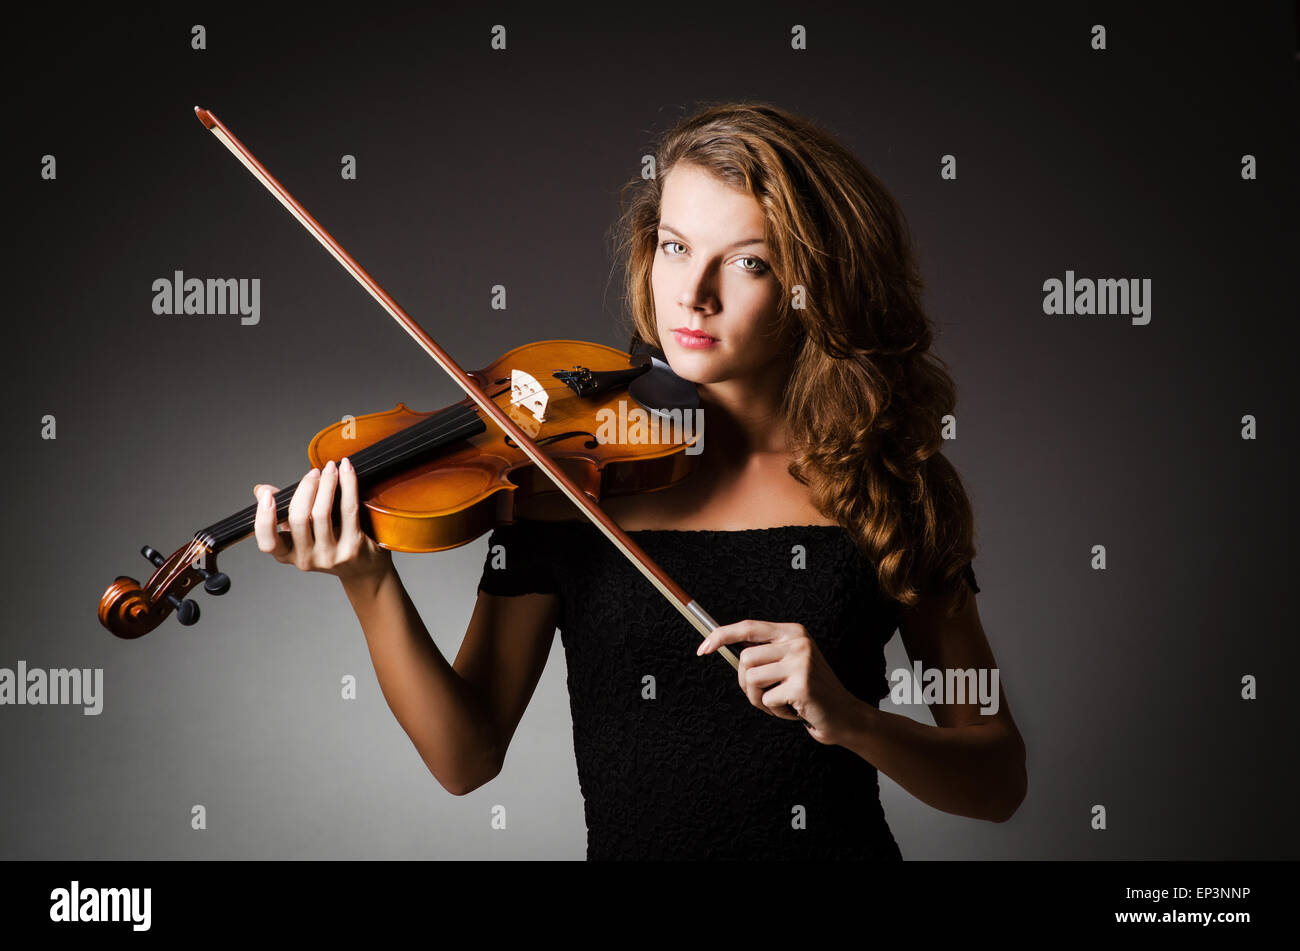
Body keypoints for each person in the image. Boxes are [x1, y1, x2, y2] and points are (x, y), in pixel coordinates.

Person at [251, 102, 1026, 860]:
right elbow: (467, 756)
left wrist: (855, 719)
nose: (694, 293)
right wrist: (368, 577)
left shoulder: (886, 483)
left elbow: (997, 779)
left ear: (814, 286)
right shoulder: (565, 475)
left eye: (749, 262)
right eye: (676, 247)